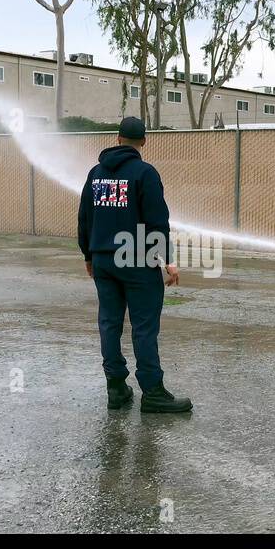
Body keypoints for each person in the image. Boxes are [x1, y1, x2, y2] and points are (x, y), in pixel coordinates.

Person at [77, 117, 194, 413]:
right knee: (143, 327)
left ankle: (116, 389)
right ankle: (152, 393)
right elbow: (157, 222)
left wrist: (89, 257)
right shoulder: (145, 173)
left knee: (109, 323)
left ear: (117, 139)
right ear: (143, 141)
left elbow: (84, 218)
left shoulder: (95, 174)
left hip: (103, 259)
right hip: (136, 260)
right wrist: (169, 260)